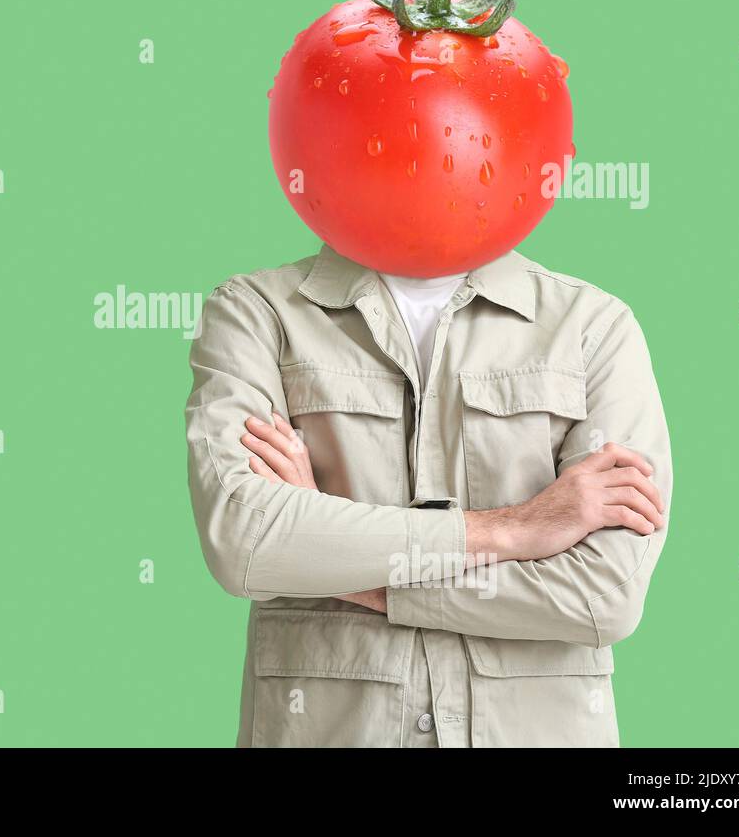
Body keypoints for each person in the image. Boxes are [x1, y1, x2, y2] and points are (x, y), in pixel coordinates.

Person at [184, 245, 672, 747]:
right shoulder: (256, 310)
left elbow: (604, 597)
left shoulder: (593, 325)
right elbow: (247, 543)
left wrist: (349, 574)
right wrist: (518, 528)